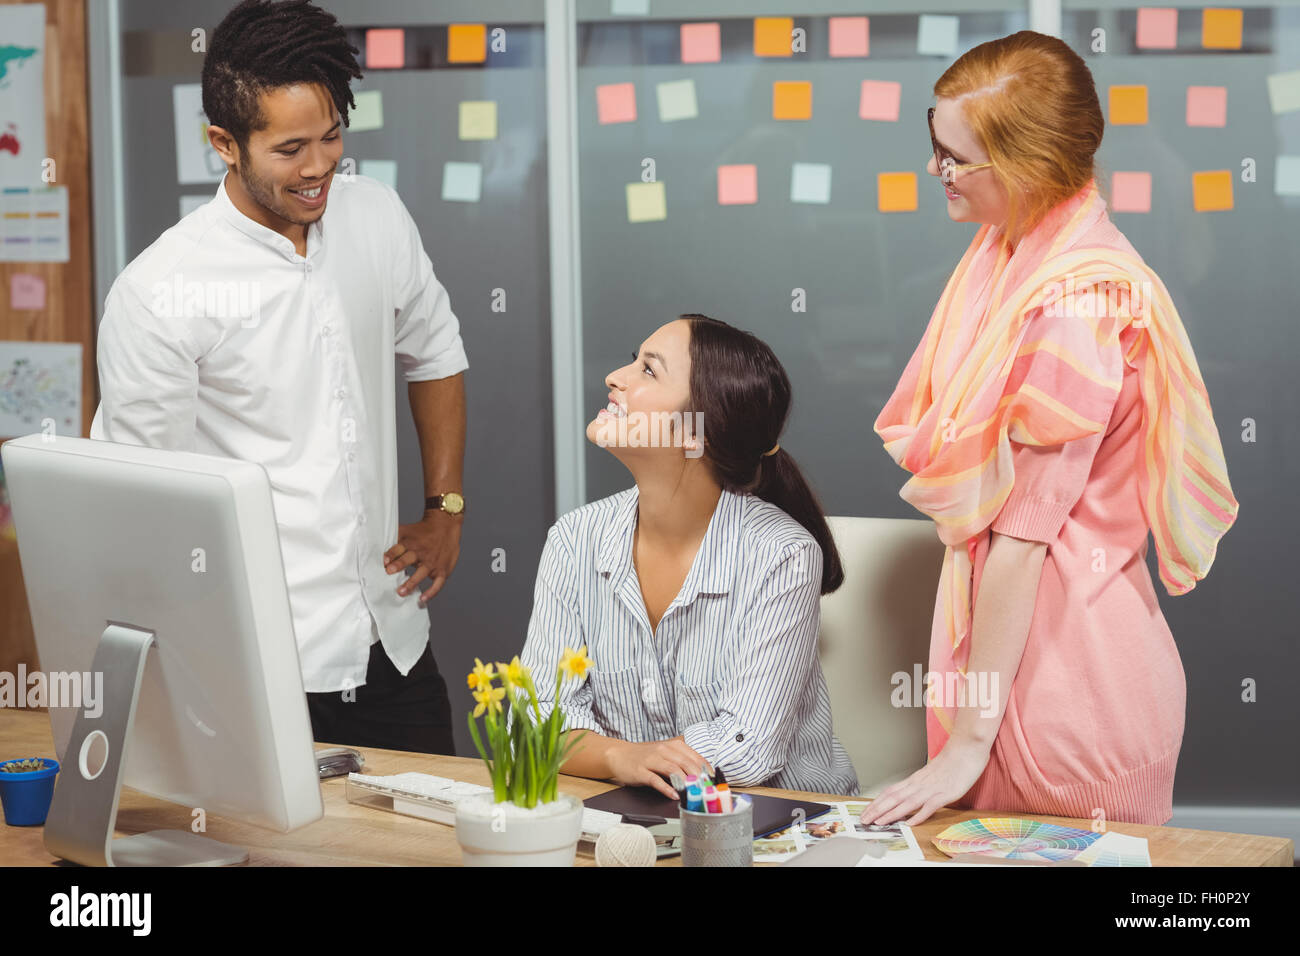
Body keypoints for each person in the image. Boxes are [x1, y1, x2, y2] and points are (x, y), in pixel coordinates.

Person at [866, 31, 1237, 827]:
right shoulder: (1003, 260)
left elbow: (1023, 536)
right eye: (935, 147)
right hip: (1010, 679)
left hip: (1066, 700)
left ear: (1028, 165)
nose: (939, 170)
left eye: (957, 157)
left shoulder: (1076, 303)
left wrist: (969, 741)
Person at [89, 0, 469, 755]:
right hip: (258, 664)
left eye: (332, 136)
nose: (320, 165)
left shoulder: (377, 218)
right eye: (291, 148)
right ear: (224, 144)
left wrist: (446, 507)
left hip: (387, 638)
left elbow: (435, 352)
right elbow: (145, 500)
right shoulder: (161, 289)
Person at [519, 314, 859, 798]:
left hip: (780, 823)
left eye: (649, 370)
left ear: (695, 432)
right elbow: (537, 724)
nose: (615, 377)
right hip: (640, 819)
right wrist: (622, 757)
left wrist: (601, 751)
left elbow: (747, 751)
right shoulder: (575, 539)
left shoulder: (782, 554)